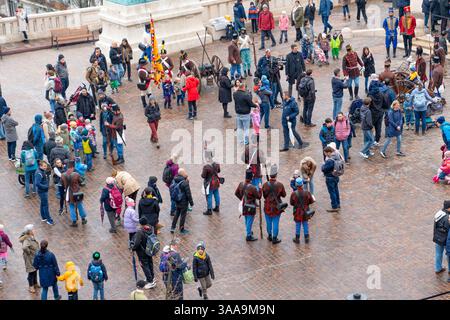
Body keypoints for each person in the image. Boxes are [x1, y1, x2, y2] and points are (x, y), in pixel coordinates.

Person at [262, 164, 287, 244]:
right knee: (275, 222)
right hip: (276, 207)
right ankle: (274, 238)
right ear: (276, 174)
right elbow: (284, 195)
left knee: (268, 222)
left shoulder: (265, 185)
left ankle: (269, 235)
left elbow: (264, 196)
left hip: (267, 206)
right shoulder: (280, 185)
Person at [235, 169, 262, 241]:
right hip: (251, 206)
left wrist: (242, 199)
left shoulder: (241, 184)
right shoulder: (252, 187)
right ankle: (248, 235)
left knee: (246, 219)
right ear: (251, 178)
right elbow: (259, 197)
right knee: (249, 220)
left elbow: (236, 193)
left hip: (244, 205)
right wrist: (260, 188)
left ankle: (248, 231)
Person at [131, 217, 156, 289]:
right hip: (149, 250)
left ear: (140, 224)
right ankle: (152, 277)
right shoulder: (151, 228)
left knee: (145, 266)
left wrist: (133, 248)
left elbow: (137, 243)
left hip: (142, 252)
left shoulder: (140, 232)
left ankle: (150, 281)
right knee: (150, 263)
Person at [62, 160, 88, 227]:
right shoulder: (76, 174)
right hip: (77, 192)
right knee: (80, 205)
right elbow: (81, 182)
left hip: (69, 193)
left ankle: (74, 221)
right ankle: (83, 219)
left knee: (71, 206)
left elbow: (61, 184)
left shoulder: (63, 175)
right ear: (73, 167)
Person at [290, 177, 315, 244]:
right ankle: (306, 238)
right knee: (305, 223)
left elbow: (291, 203)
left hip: (297, 211)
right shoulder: (307, 192)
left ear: (296, 185)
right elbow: (311, 201)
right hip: (305, 210)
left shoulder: (294, 194)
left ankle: (297, 238)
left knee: (298, 224)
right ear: (302, 184)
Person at [170, 168, 194, 234]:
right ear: (182, 174)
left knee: (177, 214)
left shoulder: (175, 179)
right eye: (184, 172)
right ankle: (181, 229)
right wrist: (191, 202)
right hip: (183, 202)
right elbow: (188, 193)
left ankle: (172, 227)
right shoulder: (184, 182)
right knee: (183, 215)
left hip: (177, 200)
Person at [19, 224, 40, 293]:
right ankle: (31, 287)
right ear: (30, 231)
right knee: (31, 272)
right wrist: (29, 252)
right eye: (33, 229)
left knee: (35, 270)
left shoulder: (31, 236)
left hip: (34, 257)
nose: (34, 230)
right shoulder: (27, 239)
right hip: (30, 258)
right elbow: (24, 247)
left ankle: (35, 283)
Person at [368, 79, 389, 145]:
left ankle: (371, 141)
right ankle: (376, 140)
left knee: (370, 127)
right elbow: (385, 103)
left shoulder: (370, 95)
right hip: (380, 112)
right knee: (378, 127)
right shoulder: (381, 94)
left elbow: (367, 104)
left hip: (372, 113)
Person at [34, 160, 55, 226]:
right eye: (44, 166)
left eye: (46, 166)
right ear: (40, 166)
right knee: (46, 205)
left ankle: (43, 217)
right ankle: (49, 220)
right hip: (42, 191)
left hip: (43, 191)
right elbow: (37, 183)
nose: (46, 167)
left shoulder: (41, 171)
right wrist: (45, 186)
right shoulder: (39, 173)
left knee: (42, 204)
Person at [322, 146, 341, 212]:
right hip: (336, 176)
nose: (324, 154)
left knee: (332, 192)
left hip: (330, 178)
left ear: (328, 152)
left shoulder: (329, 160)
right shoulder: (336, 156)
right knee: (336, 191)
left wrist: (323, 165)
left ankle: (334, 206)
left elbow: (324, 169)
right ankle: (338, 204)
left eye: (325, 153)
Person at [434, 202, 450, 273]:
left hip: (438, 237)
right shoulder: (448, 218)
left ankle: (438, 268)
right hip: (446, 239)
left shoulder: (438, 213)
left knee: (438, 253)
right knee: (449, 255)